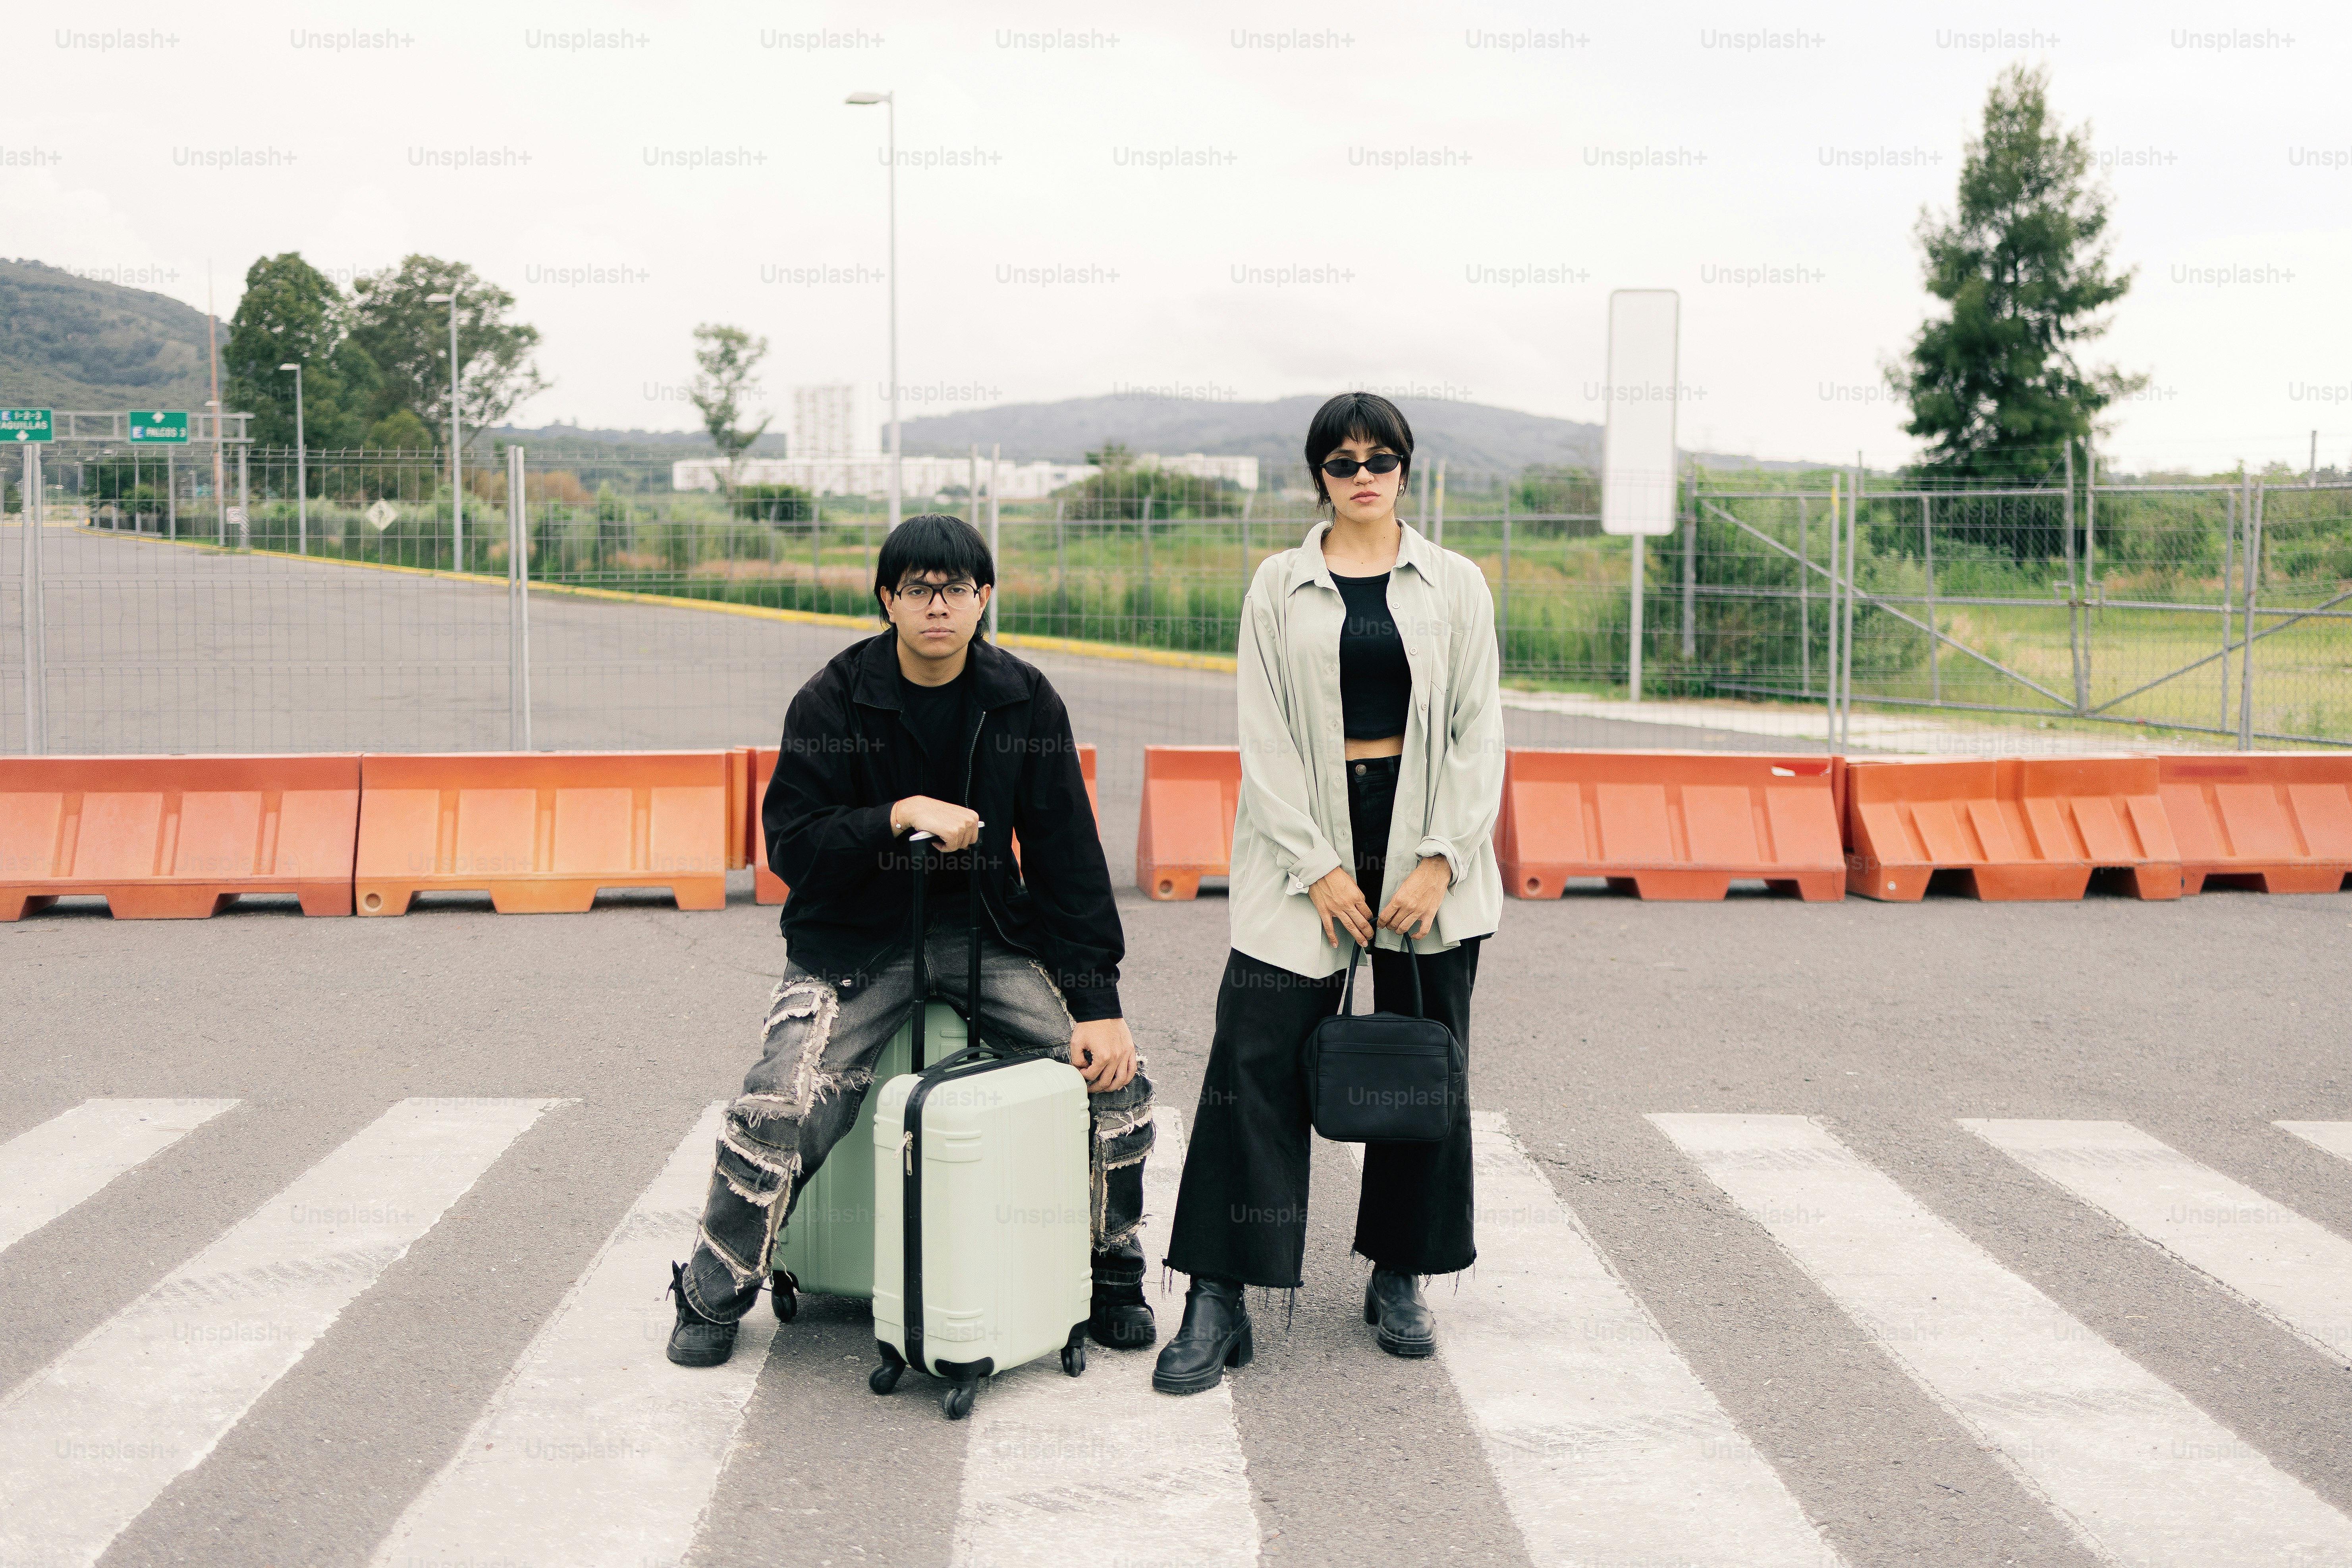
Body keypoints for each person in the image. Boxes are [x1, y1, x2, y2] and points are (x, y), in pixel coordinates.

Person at [667, 513, 1156, 1365]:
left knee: (1116, 1086)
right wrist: (895, 817)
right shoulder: (833, 696)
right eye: (919, 589)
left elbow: (1068, 859)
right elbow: (792, 846)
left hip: (990, 931)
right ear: (888, 599)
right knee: (780, 1101)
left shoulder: (1023, 698)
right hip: (856, 941)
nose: (939, 605)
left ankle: (1111, 1266)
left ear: (984, 598)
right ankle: (713, 1288)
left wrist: (1098, 1003)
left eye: (956, 588)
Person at [1154, 392, 1504, 1394]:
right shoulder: (1279, 585)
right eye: (1342, 459)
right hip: (1300, 844)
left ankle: (1400, 1274)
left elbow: (1481, 734)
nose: (1362, 474)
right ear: (1317, 474)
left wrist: (1440, 857)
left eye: (1380, 457)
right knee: (1251, 1060)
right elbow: (1259, 738)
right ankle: (1217, 1294)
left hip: (1425, 841)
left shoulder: (1455, 585)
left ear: (1406, 469)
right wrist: (1315, 865)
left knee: (1418, 1067)